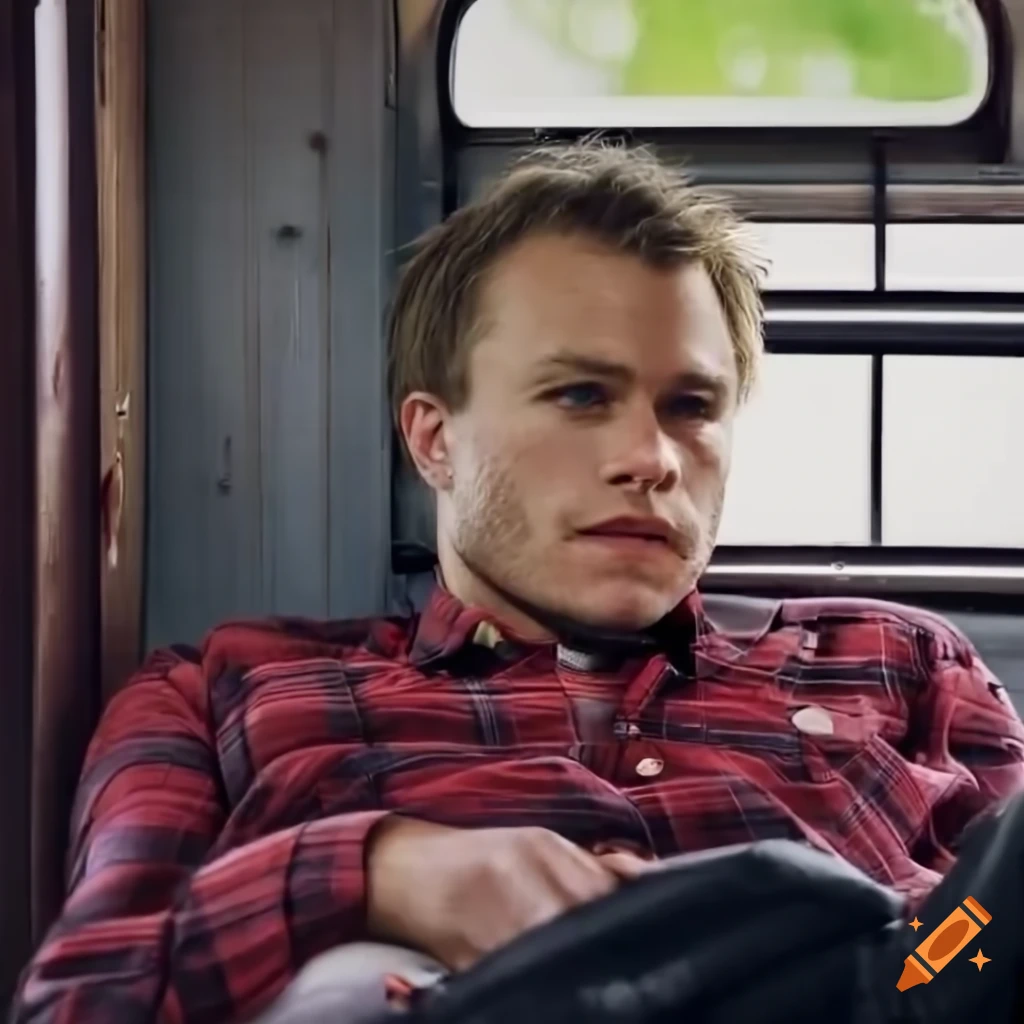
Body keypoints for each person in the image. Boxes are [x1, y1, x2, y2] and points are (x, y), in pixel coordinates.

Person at [11, 141, 1024, 1024]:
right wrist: (376, 872)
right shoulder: (223, 689)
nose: (651, 457)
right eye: (581, 394)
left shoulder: (895, 663)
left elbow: (984, 942)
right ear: (434, 438)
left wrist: (928, 958)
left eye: (689, 406)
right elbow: (87, 998)